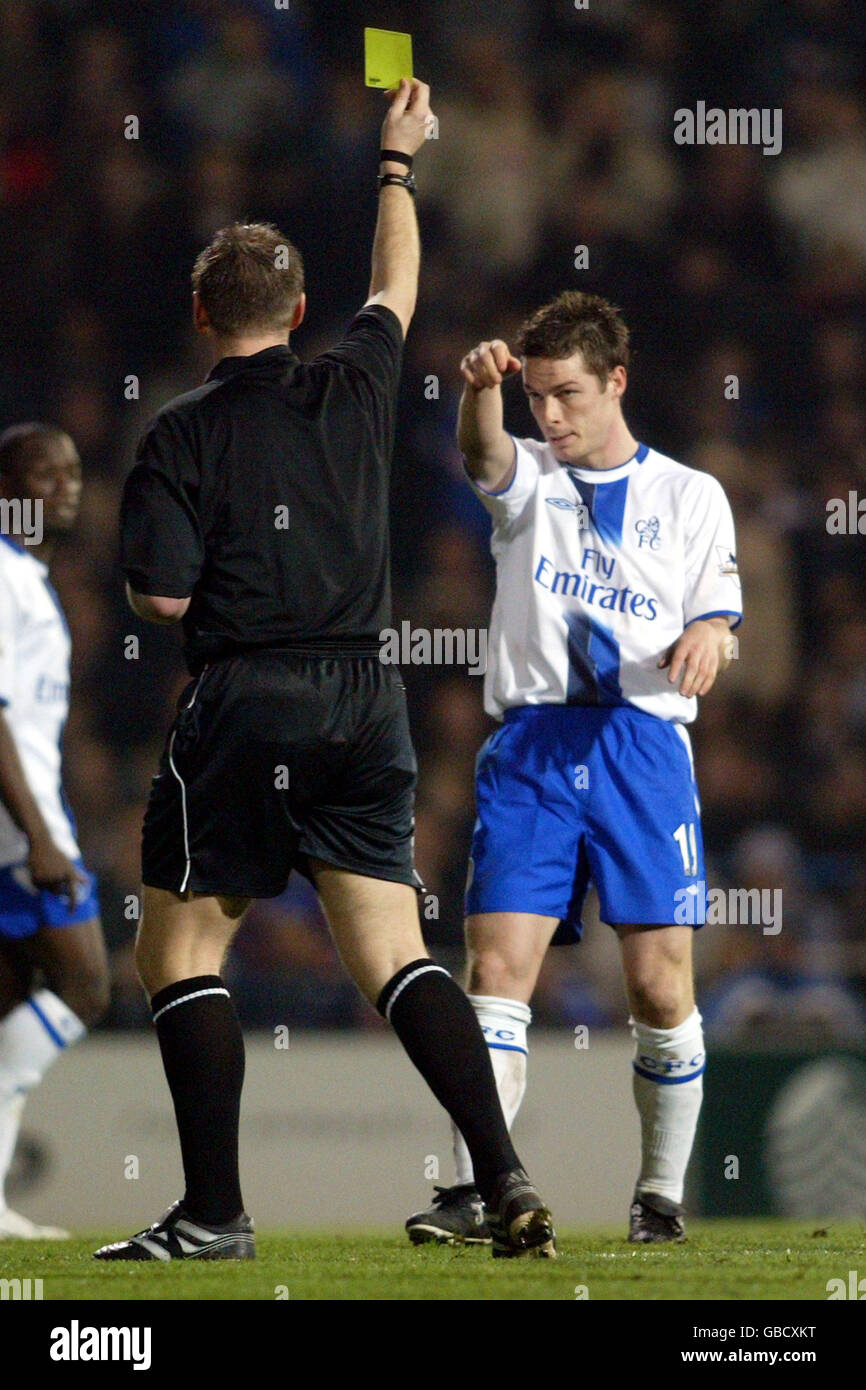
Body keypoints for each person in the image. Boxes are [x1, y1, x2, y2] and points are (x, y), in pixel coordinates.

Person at [97, 79, 554, 1262]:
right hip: (364, 696)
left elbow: (161, 597)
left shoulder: (180, 433)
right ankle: (500, 1177)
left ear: (205, 315)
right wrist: (396, 162)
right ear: (299, 308)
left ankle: (213, 1214)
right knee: (395, 953)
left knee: (182, 951)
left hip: (245, 698)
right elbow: (395, 287)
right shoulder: (354, 381)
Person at [405, 291, 742, 1247]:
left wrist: (713, 634)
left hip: (642, 749)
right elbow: (485, 455)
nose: (549, 416)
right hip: (534, 750)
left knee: (658, 988)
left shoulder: (689, 494)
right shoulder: (530, 485)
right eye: (538, 397)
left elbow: (718, 609)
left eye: (567, 395)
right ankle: (477, 1190)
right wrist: (480, 392)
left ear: (616, 383)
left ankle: (661, 1201)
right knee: (497, 968)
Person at [0, 423, 108, 1239]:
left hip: (28, 816)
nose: (66, 486)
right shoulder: (2, 576)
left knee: (11, 996)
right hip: (17, 828)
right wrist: (38, 834)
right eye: (46, 473)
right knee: (85, 985)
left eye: (73, 473)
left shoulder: (29, 574)